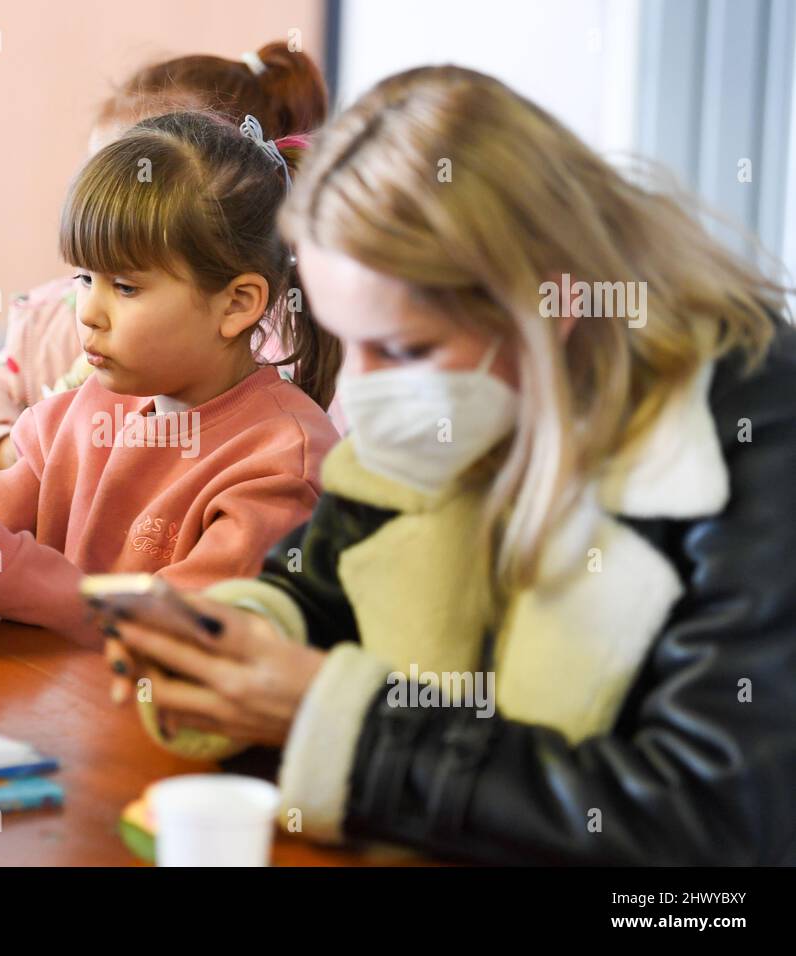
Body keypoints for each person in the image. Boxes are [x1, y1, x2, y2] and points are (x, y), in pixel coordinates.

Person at [106, 66, 796, 864]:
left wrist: (348, 729)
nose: (361, 391)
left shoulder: (750, 431)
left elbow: (710, 827)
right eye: (347, 340)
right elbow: (320, 589)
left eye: (405, 348)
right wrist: (229, 644)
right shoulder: (462, 398)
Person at [0, 111, 340, 646]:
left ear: (237, 303)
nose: (87, 311)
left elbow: (174, 632)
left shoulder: (282, 462)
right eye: (85, 278)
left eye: (126, 287)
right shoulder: (83, 412)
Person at [0, 41, 332, 481]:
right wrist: (5, 456)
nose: (88, 311)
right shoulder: (57, 327)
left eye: (125, 285)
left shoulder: (274, 386)